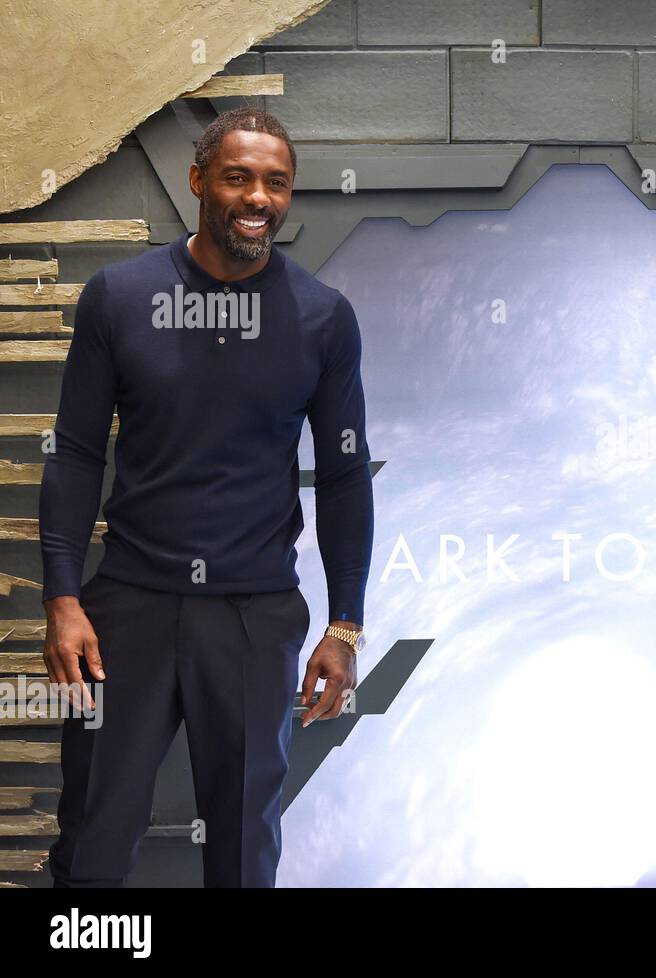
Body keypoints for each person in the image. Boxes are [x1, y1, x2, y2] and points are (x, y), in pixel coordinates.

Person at [40, 107, 374, 887]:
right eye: (237, 177)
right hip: (127, 612)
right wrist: (62, 597)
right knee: (91, 838)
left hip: (255, 617)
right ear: (198, 182)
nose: (257, 196)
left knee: (243, 851)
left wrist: (347, 626)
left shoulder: (323, 318)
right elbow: (77, 453)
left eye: (275, 182)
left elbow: (344, 474)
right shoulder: (119, 299)